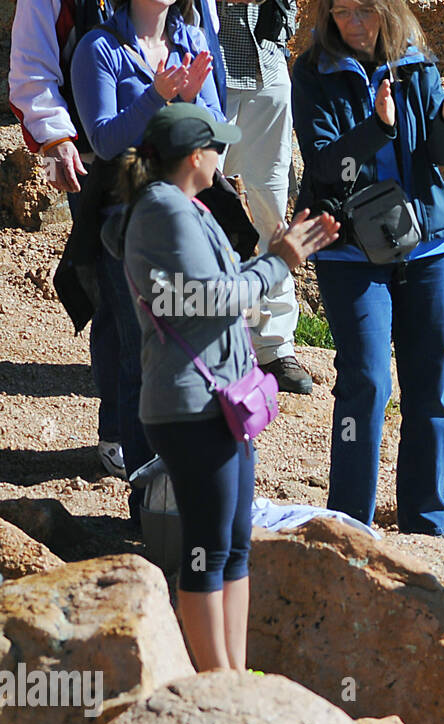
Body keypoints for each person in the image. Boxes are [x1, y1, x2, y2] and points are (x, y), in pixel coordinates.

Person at [107, 103, 339, 670]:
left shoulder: (189, 206)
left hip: (220, 402)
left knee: (234, 545)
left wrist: (274, 258)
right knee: (206, 549)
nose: (223, 156)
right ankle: (214, 684)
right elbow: (212, 299)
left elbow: (220, 287)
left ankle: (233, 675)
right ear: (194, 156)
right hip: (191, 406)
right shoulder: (164, 211)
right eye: (217, 147)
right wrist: (279, 261)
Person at [293, 0, 444, 535]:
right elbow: (328, 166)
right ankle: (348, 524)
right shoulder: (313, 72)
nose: (354, 23)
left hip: (429, 246)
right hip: (348, 249)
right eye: (342, 12)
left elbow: (443, 154)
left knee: (429, 389)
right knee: (367, 381)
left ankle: (428, 524)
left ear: (389, 10)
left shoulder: (416, 61)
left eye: (366, 11)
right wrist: (377, 127)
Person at [71, 0, 226, 522]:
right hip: (128, 221)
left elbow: (216, 134)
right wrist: (159, 100)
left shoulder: (191, 39)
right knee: (143, 353)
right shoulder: (99, 47)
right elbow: (105, 139)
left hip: (189, 216)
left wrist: (189, 107)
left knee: (192, 346)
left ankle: (187, 492)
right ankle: (149, 504)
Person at [9, 0, 121, 476]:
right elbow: (31, 64)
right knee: (118, 292)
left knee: (172, 293)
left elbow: (205, 44)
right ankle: (121, 431)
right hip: (95, 161)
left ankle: (174, 432)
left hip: (174, 153)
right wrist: (55, 138)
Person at [216, 0, 313, 394]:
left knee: (271, 206)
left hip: (268, 63)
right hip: (207, 67)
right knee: (196, 206)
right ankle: (199, 345)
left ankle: (274, 346)